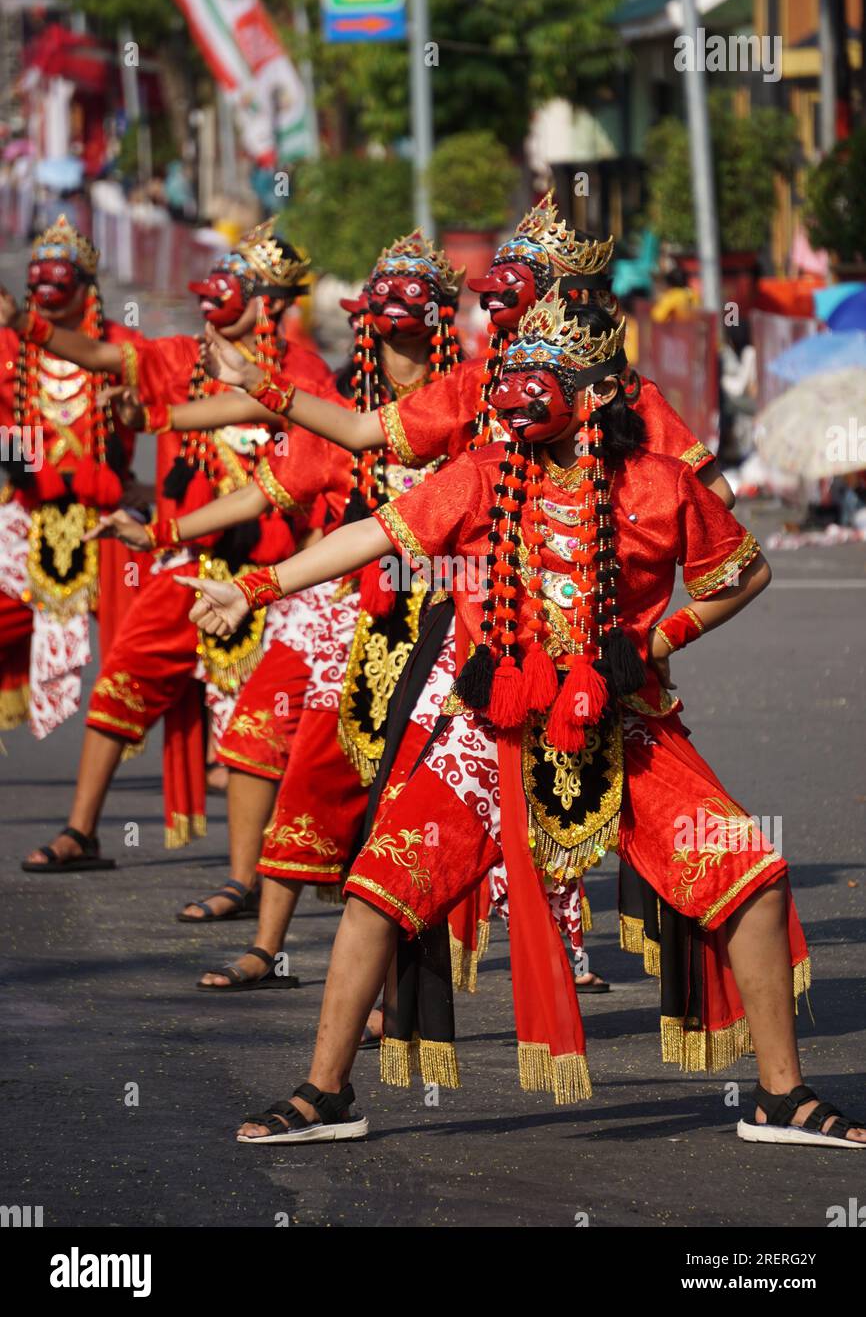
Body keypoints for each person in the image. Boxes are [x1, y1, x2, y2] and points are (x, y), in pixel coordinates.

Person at [183, 289, 865, 1151]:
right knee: (375, 893)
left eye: (542, 377)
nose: (516, 391)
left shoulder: (660, 487)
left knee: (753, 881)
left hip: (620, 735)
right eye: (513, 375)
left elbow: (745, 572)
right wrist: (253, 586)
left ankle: (780, 1097)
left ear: (599, 394)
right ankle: (325, 1094)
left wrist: (661, 638)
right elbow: (373, 538)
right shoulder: (476, 477)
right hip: (488, 739)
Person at [95, 231, 464, 964]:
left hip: (461, 618)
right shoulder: (343, 408)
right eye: (380, 310)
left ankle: (535, 955)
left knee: (474, 788)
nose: (392, 328)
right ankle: (267, 941)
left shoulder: (472, 401)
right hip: (342, 605)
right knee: (287, 753)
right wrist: (165, 528)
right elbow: (273, 483)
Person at [3, 217, 328, 868]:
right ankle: (83, 831)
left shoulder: (308, 378)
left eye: (236, 288)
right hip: (186, 566)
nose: (218, 299)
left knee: (266, 733)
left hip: (279, 577)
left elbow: (322, 484)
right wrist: (24, 325)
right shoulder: (185, 358)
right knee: (118, 684)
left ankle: (263, 876)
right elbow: (100, 358)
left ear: (270, 302)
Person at [0, 215, 142, 740]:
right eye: (38, 288)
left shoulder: (121, 345)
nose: (47, 298)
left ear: (87, 289)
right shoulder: (8, 348)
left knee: (158, 632)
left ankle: (209, 751)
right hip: (31, 509)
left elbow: (166, 402)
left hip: (109, 512)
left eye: (60, 287)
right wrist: (21, 461)